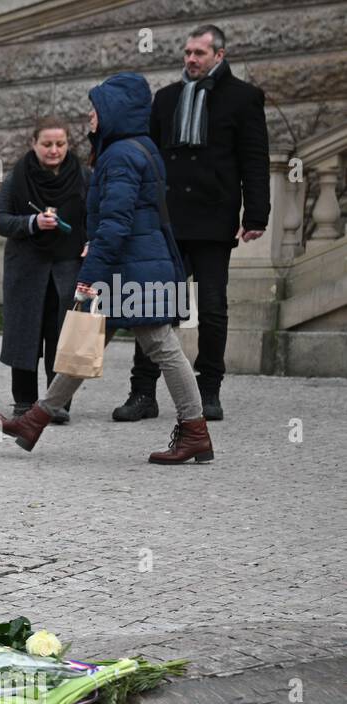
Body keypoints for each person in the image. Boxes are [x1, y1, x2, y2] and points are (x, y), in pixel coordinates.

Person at [0, 73, 215, 465]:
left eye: (94, 110)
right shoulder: (134, 148)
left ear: (112, 111)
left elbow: (115, 223)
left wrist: (88, 275)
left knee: (162, 345)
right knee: (86, 344)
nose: (90, 118)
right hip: (135, 264)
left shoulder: (121, 155)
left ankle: (195, 431)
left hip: (133, 269)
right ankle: (36, 420)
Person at [114, 24, 269, 423]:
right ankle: (143, 392)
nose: (191, 59)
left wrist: (256, 215)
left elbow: (254, 159)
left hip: (214, 218)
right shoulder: (165, 99)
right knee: (152, 304)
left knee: (213, 308)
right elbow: (147, 156)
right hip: (166, 221)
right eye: (187, 53)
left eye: (199, 53)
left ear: (219, 55)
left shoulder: (243, 98)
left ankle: (208, 391)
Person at [0, 116, 88, 422]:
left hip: (67, 266)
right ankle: (24, 401)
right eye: (47, 144)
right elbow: (0, 219)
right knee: (25, 333)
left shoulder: (84, 176)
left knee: (62, 335)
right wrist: (32, 223)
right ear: (34, 144)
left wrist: (93, 242)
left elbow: (95, 215)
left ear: (68, 144)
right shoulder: (18, 176)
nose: (54, 150)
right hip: (26, 267)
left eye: (60, 143)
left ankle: (57, 403)